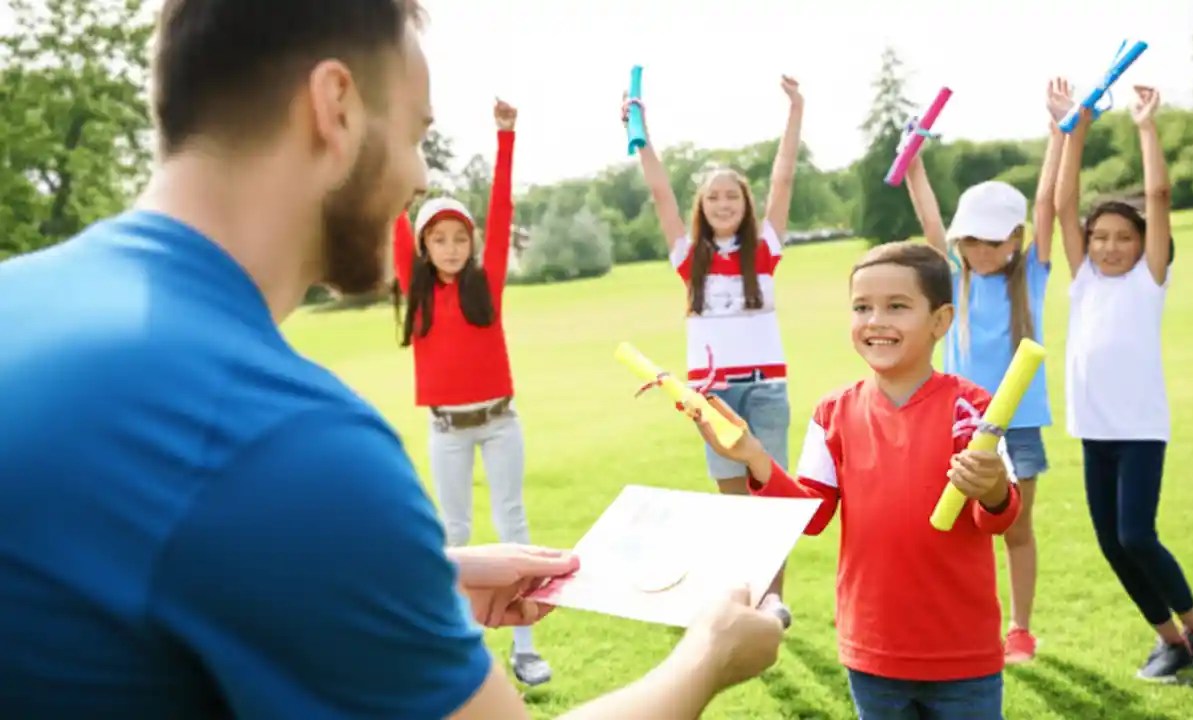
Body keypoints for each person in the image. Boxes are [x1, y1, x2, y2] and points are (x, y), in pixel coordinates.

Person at [0, 2, 786, 717]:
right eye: (415, 132)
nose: (416, 175)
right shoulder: (288, 440)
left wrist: (428, 570)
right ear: (334, 108)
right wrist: (707, 655)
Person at [692, 241, 1022, 719]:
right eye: (862, 307)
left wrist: (991, 487)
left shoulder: (971, 408)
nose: (876, 321)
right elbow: (811, 516)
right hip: (873, 650)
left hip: (961, 652)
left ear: (940, 321)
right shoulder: (833, 414)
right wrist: (752, 455)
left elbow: (998, 517)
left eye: (897, 307)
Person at [1054, 86, 1193, 683]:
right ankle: (1169, 641)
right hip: (1092, 428)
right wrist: (1073, 130)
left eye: (1122, 238)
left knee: (1136, 534)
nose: (1108, 246)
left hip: (1139, 428)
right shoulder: (1083, 280)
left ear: (1144, 245)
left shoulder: (1148, 280)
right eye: (1099, 236)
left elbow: (1157, 195)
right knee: (1111, 544)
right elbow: (1062, 201)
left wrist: (1145, 127)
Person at [899, 77, 1075, 664]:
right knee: (950, 528)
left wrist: (1058, 132)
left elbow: (1049, 202)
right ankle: (953, 623)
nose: (977, 251)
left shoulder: (1035, 275)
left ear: (1016, 240)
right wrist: (916, 163)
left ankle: (1020, 630)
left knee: (1015, 530)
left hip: (1018, 427)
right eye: (968, 241)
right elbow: (928, 225)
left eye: (989, 242)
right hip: (962, 426)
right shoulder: (954, 279)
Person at [624, 75, 804, 611]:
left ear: (747, 205)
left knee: (769, 502)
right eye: (713, 196)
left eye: (733, 195)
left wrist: (796, 110)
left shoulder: (767, 247)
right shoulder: (688, 257)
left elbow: (785, 176)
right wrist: (642, 129)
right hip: (715, 396)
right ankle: (746, 598)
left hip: (766, 389)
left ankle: (773, 601)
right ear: (703, 206)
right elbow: (659, 190)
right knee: (733, 505)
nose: (724, 202)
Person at [391, 99, 550, 686]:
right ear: (425, 248)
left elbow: (503, 211)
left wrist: (505, 137)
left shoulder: (488, 284)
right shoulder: (419, 291)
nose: (452, 247)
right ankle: (459, 651)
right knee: (453, 535)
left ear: (472, 243)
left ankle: (527, 648)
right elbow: (395, 216)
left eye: (461, 237)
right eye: (441, 239)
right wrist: (396, 145)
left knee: (514, 528)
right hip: (447, 432)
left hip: (499, 422)